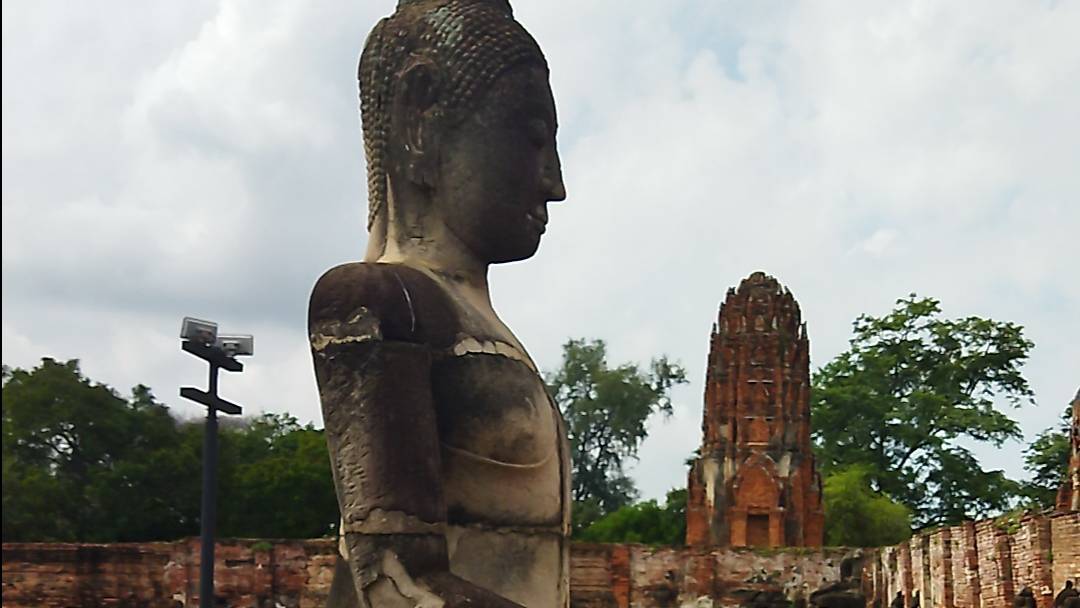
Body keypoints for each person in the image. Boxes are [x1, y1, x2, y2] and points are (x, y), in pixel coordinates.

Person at [309, 0, 568, 606]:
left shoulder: (487, 331)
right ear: (420, 118)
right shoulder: (375, 300)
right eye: (534, 140)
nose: (554, 181)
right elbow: (398, 583)